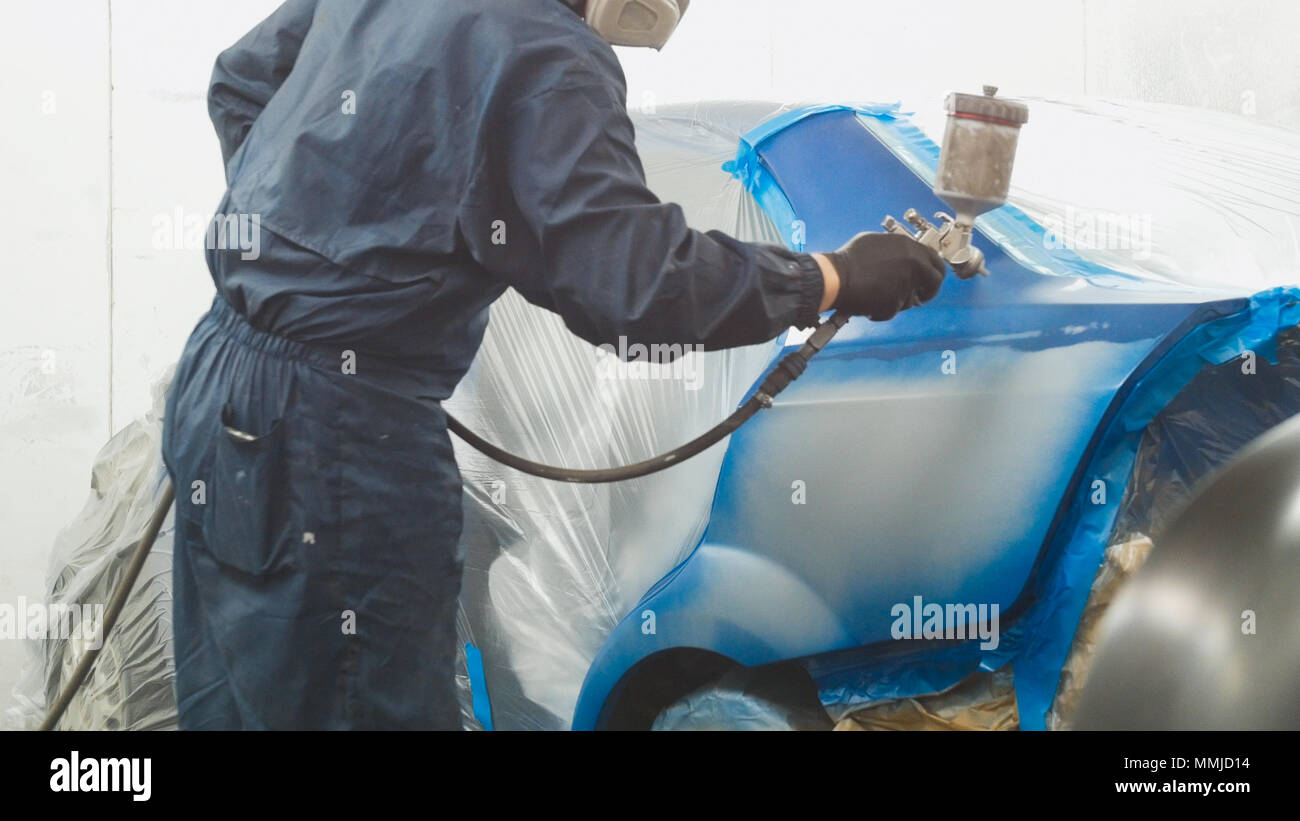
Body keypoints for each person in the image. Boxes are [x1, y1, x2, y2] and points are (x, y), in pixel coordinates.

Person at [160, 0, 946, 730]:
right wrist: (830, 278)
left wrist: (320, 244)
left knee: (234, 701)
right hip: (338, 439)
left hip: (220, 380)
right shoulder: (547, 53)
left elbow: (243, 82)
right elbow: (638, 282)